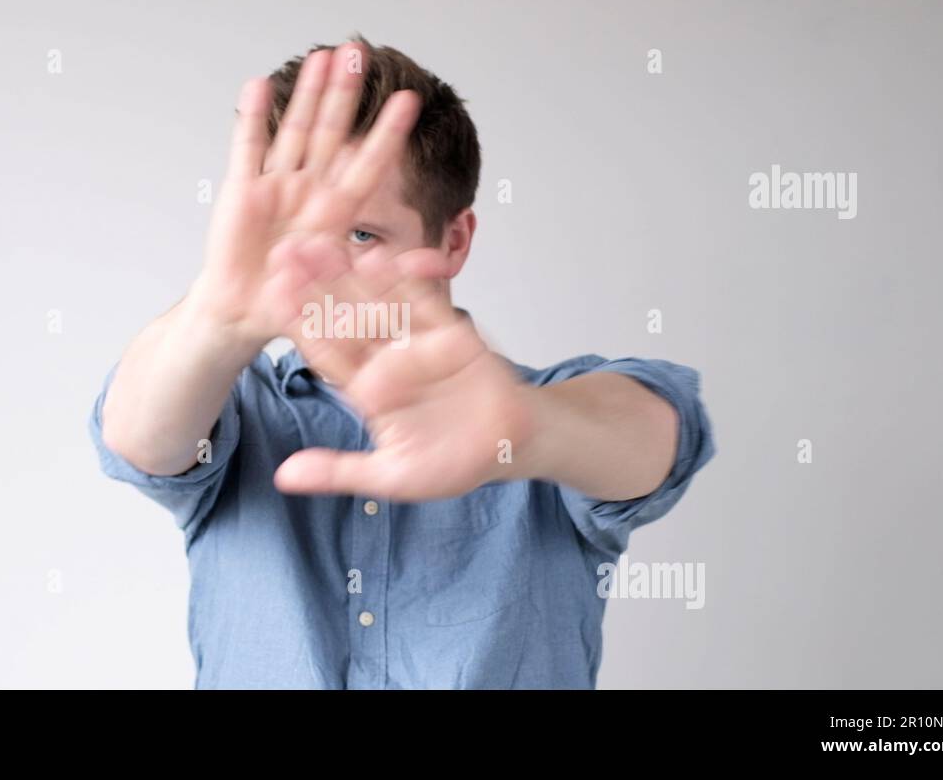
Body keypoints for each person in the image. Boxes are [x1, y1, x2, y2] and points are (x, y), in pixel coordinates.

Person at [89, 36, 716, 688]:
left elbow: (660, 436)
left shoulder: (544, 410)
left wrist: (532, 431)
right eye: (293, 236)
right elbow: (137, 437)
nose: (319, 271)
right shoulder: (236, 409)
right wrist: (218, 309)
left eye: (362, 234)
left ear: (453, 239)